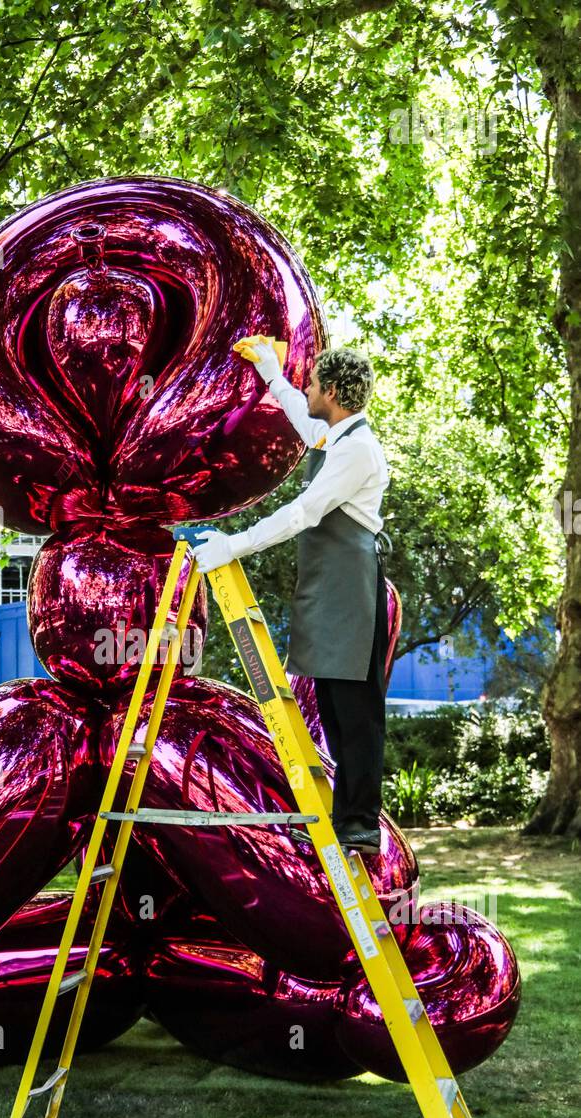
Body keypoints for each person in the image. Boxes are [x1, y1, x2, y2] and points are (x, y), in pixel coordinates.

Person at [191, 339, 391, 856]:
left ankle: (360, 824)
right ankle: (343, 818)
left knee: (357, 712)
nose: (308, 389)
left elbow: (302, 512)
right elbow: (304, 421)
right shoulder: (335, 437)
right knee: (333, 709)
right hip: (331, 589)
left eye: (314, 382)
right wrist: (272, 374)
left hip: (352, 591)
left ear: (334, 391)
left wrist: (234, 544)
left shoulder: (357, 450)